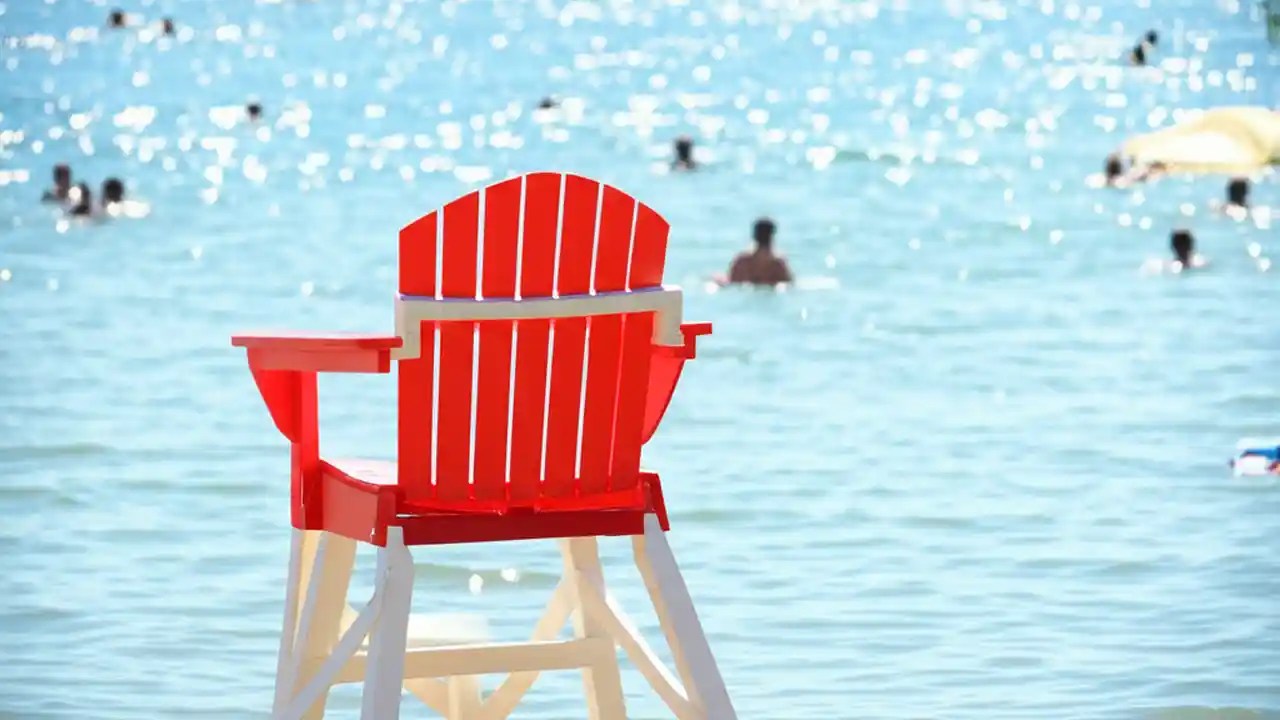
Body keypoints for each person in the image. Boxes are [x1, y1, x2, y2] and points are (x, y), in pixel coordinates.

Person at [724, 217, 793, 287]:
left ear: (754, 236)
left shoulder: (742, 260)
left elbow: (730, 283)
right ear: (772, 236)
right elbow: (789, 285)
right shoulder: (778, 263)